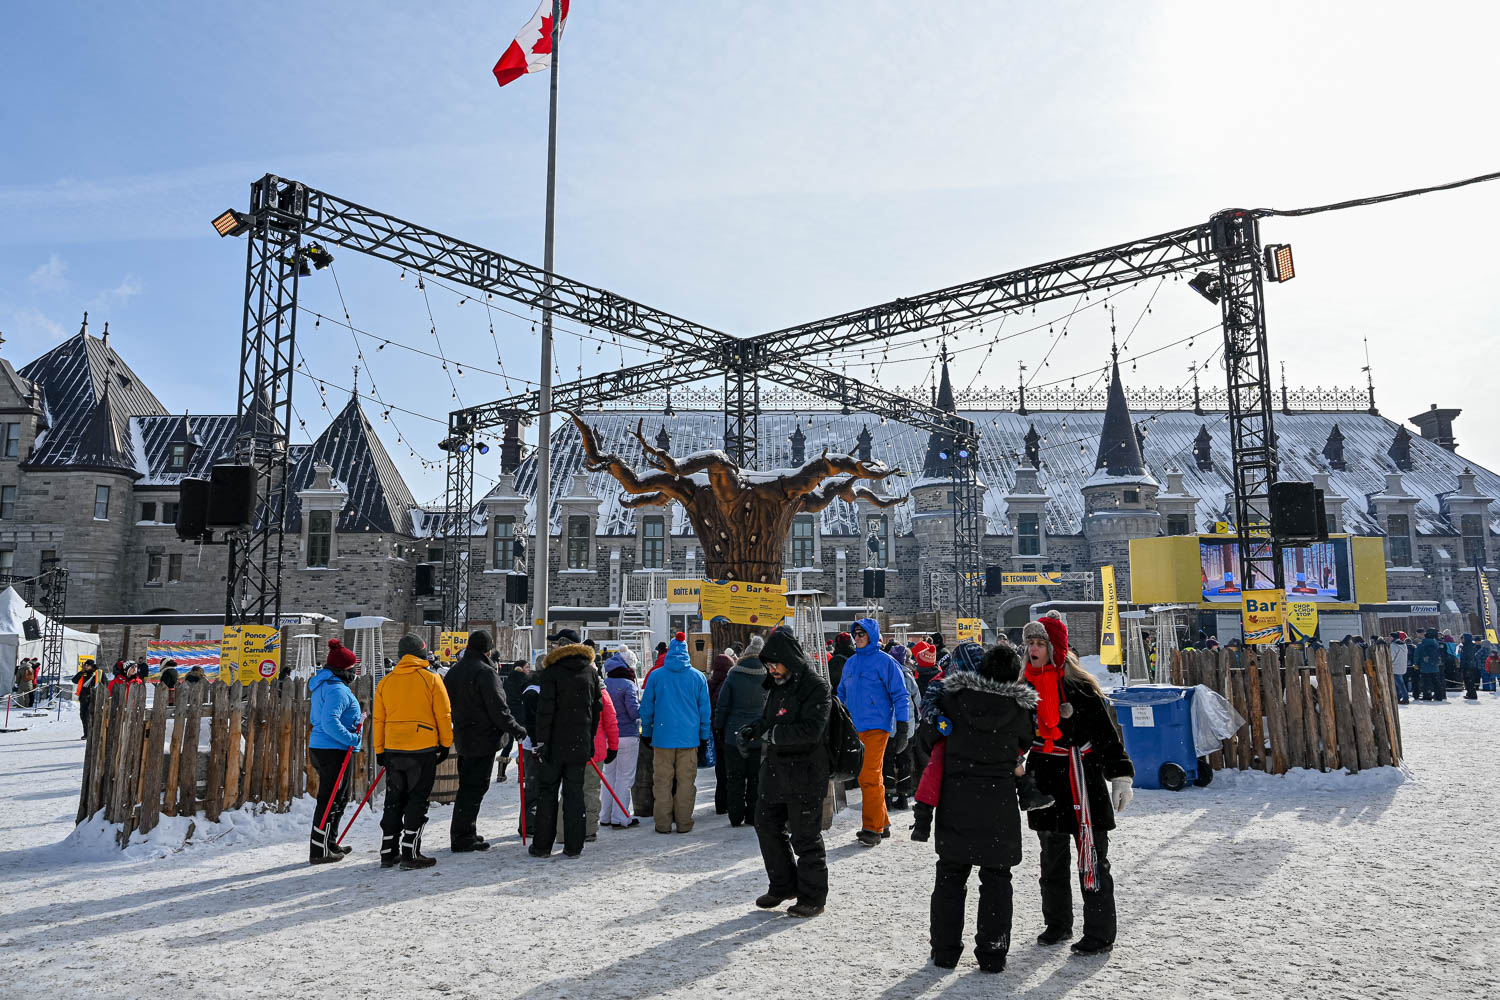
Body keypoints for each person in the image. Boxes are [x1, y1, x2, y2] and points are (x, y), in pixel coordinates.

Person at [920, 641, 1039, 972]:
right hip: (997, 802)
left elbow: (929, 739)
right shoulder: (1018, 708)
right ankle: (992, 951)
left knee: (950, 876)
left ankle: (944, 951)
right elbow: (1026, 742)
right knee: (997, 879)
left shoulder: (953, 699)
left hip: (956, 799)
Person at [1023, 614, 1134, 955]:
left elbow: (1105, 734)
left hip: (1080, 777)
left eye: (1040, 643)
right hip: (1045, 779)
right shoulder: (1024, 686)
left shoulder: (1081, 687)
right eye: (1029, 643)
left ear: (1054, 647)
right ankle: (1057, 924)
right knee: (1051, 859)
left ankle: (1099, 933)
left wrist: (1120, 775)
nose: (1033, 649)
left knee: (1092, 858)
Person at [910, 641, 1052, 843]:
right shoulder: (942, 682)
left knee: (1008, 751)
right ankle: (923, 815)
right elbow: (927, 704)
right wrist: (937, 718)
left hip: (963, 746)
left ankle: (1026, 788)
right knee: (936, 764)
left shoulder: (985, 686)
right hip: (948, 733)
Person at [744, 626, 831, 918]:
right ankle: (783, 884)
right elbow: (769, 721)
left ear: (789, 659)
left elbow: (812, 730)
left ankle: (812, 897)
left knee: (806, 838)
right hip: (777, 770)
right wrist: (753, 731)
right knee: (765, 824)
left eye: (775, 664)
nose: (772, 670)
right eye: (768, 665)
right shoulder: (777, 686)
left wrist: (773, 735)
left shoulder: (815, 686)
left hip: (806, 773)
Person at [374, 633, 454, 870]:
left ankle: (388, 851)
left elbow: (379, 719)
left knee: (393, 799)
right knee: (417, 800)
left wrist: (380, 749)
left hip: (393, 749)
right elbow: (444, 715)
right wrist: (445, 743)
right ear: (422, 653)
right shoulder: (431, 679)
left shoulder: (386, 682)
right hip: (422, 748)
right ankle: (410, 851)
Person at [444, 630, 527, 853]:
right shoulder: (485, 672)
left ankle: (465, 831)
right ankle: (463, 836)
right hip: (483, 738)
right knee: (475, 788)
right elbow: (499, 708)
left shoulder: (454, 672)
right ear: (488, 650)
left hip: (463, 736)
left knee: (467, 787)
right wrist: (516, 729)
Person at [835, 618, 911, 847]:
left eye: (861, 633)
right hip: (855, 727)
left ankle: (871, 828)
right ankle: (882, 822)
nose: (857, 637)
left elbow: (900, 694)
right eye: (855, 633)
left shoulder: (885, 662)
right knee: (870, 775)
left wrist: (903, 726)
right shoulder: (850, 663)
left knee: (868, 776)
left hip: (877, 727)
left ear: (871, 635)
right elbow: (841, 694)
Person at [530, 636, 603, 858]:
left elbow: (545, 712)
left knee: (547, 794)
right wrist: (588, 738)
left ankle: (542, 845)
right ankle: (574, 845)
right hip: (579, 743)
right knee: (575, 795)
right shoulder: (590, 673)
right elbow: (596, 710)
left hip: (553, 744)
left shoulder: (551, 672)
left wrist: (541, 742)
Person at [639, 633, 712, 834]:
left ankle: (662, 823)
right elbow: (705, 712)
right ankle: (684, 822)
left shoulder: (656, 675)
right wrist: (703, 736)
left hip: (662, 737)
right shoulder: (698, 677)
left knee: (662, 782)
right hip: (689, 739)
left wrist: (647, 731)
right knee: (686, 783)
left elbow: (646, 708)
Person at [308, 639, 362, 864]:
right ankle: (319, 850)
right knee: (330, 800)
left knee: (339, 797)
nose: (355, 672)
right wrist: (352, 737)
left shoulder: (324, 685)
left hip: (324, 747)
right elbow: (330, 722)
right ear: (343, 670)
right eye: (352, 669)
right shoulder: (337, 690)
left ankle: (329, 842)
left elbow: (319, 719)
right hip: (334, 749)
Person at [713, 633, 769, 828]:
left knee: (735, 777)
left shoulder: (734, 674)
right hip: (758, 734)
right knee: (755, 778)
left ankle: (735, 815)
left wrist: (719, 727)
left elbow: (723, 705)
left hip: (733, 734)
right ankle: (753, 814)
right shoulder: (768, 675)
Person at [601, 648, 642, 828]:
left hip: (607, 736)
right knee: (625, 778)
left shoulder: (604, 683)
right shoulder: (628, 684)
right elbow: (634, 712)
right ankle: (621, 817)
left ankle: (605, 815)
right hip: (627, 734)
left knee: (609, 775)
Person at [584, 667, 620, 842]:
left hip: (571, 748)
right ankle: (589, 829)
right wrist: (613, 746)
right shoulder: (601, 692)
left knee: (570, 791)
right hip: (595, 749)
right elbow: (611, 721)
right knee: (591, 790)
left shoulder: (569, 688)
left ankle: (562, 830)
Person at [883, 643, 919, 812]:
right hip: (908, 726)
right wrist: (916, 723)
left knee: (887, 761)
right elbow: (918, 701)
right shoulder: (909, 676)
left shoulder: (885, 674)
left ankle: (888, 797)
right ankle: (904, 797)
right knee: (905, 760)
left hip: (889, 726)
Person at [709, 646, 737, 815]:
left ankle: (720, 803)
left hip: (714, 731)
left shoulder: (709, 683)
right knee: (729, 769)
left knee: (720, 771)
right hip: (725, 731)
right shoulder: (729, 684)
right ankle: (726, 802)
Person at [497, 658, 530, 781]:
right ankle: (523, 775)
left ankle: (501, 773)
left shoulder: (508, 679)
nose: (528, 669)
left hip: (509, 716)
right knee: (523, 745)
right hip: (521, 715)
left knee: (508, 744)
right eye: (527, 667)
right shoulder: (525, 680)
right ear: (521, 668)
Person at [72, 659, 105, 739]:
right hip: (83, 698)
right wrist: (81, 672)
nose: (86, 667)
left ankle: (93, 733)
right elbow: (74, 680)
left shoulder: (99, 673)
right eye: (85, 665)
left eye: (88, 665)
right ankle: (86, 733)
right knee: (83, 716)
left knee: (91, 715)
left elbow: (105, 683)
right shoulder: (84, 673)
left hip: (94, 698)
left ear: (92, 666)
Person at [1415, 629, 1444, 701]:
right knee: (1436, 681)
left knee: (1425, 682)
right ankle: (1439, 696)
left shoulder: (1421, 645)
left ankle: (1427, 695)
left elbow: (1416, 656)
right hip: (1435, 666)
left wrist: (1416, 664)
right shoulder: (1436, 644)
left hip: (1424, 666)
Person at [1389, 632, 1410, 704]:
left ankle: (1405, 698)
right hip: (1402, 666)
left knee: (1400, 684)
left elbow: (1391, 656)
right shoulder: (1404, 645)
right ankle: (1398, 697)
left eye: (1390, 637)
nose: (1389, 638)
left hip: (1395, 666)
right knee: (1399, 683)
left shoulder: (1393, 645)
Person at [1458, 633, 1482, 700]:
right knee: (1468, 681)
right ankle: (1470, 693)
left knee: (1469, 681)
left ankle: (1472, 694)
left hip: (1468, 666)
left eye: (1462, 638)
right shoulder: (1468, 646)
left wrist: (1463, 666)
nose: (1461, 640)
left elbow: (1466, 658)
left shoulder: (1467, 647)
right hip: (1469, 666)